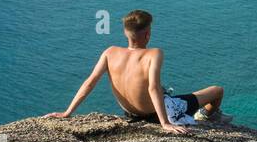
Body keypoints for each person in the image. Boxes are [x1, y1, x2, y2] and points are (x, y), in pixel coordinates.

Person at [45, 10, 226, 134]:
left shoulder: (110, 52)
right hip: (156, 113)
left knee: (169, 92)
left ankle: (193, 113)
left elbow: (90, 82)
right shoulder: (154, 53)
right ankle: (205, 117)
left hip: (130, 114)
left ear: (126, 33)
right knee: (217, 91)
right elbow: (153, 88)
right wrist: (164, 123)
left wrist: (67, 112)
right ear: (147, 34)